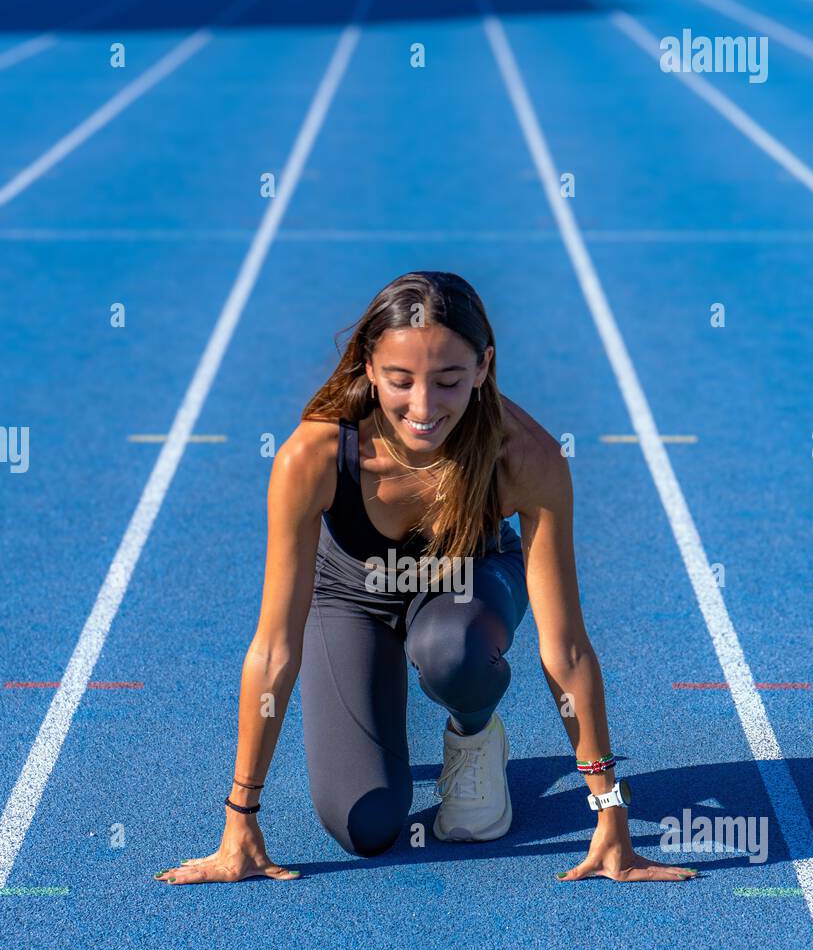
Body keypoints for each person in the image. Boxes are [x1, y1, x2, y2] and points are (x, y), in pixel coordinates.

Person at [154, 271, 696, 886]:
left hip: (468, 588)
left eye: (448, 382)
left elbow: (565, 646)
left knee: (451, 650)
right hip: (350, 596)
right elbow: (275, 646)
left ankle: (474, 733)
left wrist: (609, 811)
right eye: (400, 381)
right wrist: (240, 818)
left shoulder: (524, 456)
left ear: (483, 366)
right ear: (367, 365)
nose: (423, 407)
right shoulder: (313, 457)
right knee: (366, 828)